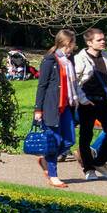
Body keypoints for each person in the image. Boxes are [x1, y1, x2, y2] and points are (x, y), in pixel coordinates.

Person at [33, 29, 79, 189]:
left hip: (67, 105)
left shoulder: (69, 59)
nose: (73, 47)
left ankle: (45, 159)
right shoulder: (50, 60)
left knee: (69, 140)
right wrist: (38, 109)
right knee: (55, 141)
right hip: (51, 106)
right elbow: (42, 86)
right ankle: (53, 175)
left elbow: (72, 83)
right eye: (71, 43)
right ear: (65, 43)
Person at [73, 27, 107, 181]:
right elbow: (75, 81)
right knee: (86, 135)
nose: (103, 42)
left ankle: (99, 162)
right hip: (87, 101)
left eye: (103, 39)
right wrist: (82, 99)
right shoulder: (80, 58)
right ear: (89, 42)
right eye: (99, 40)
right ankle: (89, 168)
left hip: (103, 100)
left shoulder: (106, 57)